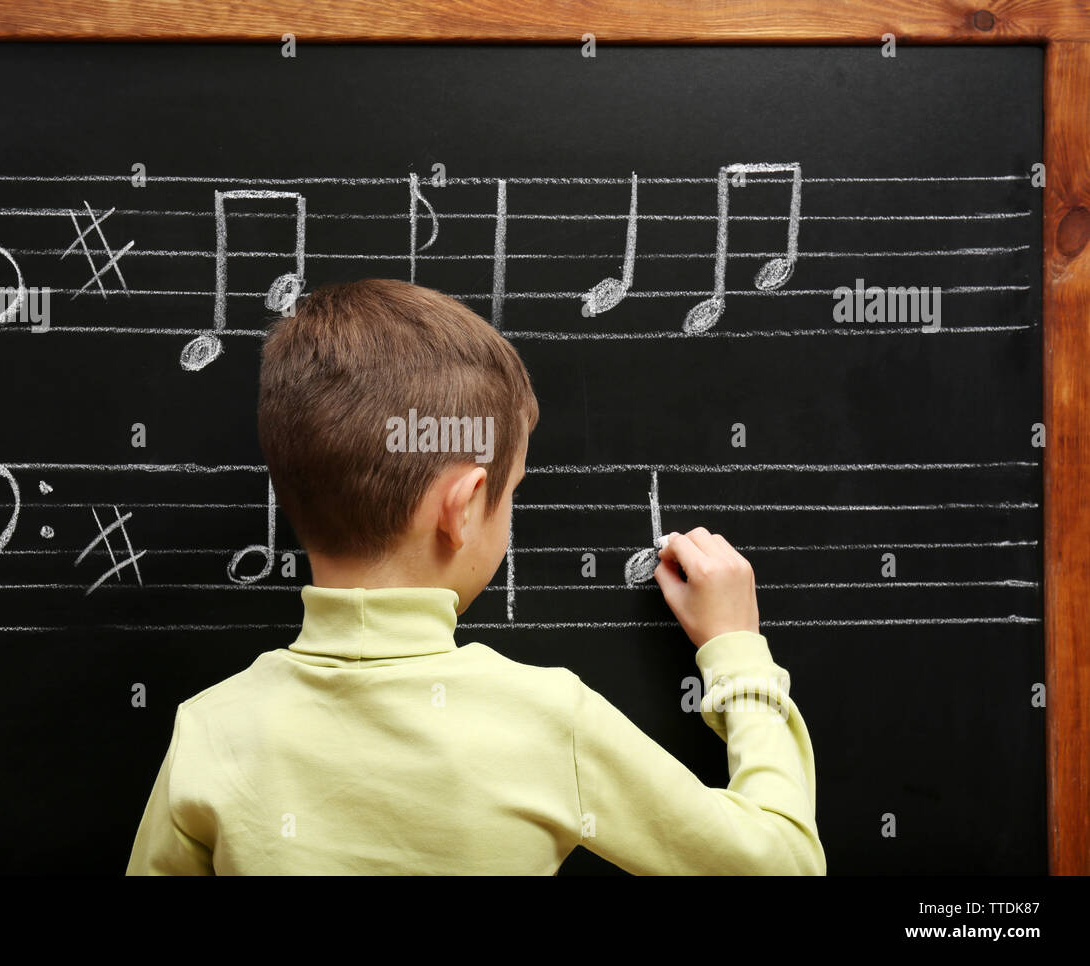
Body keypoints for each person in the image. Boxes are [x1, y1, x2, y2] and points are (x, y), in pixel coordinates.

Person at [126, 279, 824, 875]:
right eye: (511, 490)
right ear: (460, 510)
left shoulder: (210, 732)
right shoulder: (548, 722)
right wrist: (736, 653)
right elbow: (779, 862)